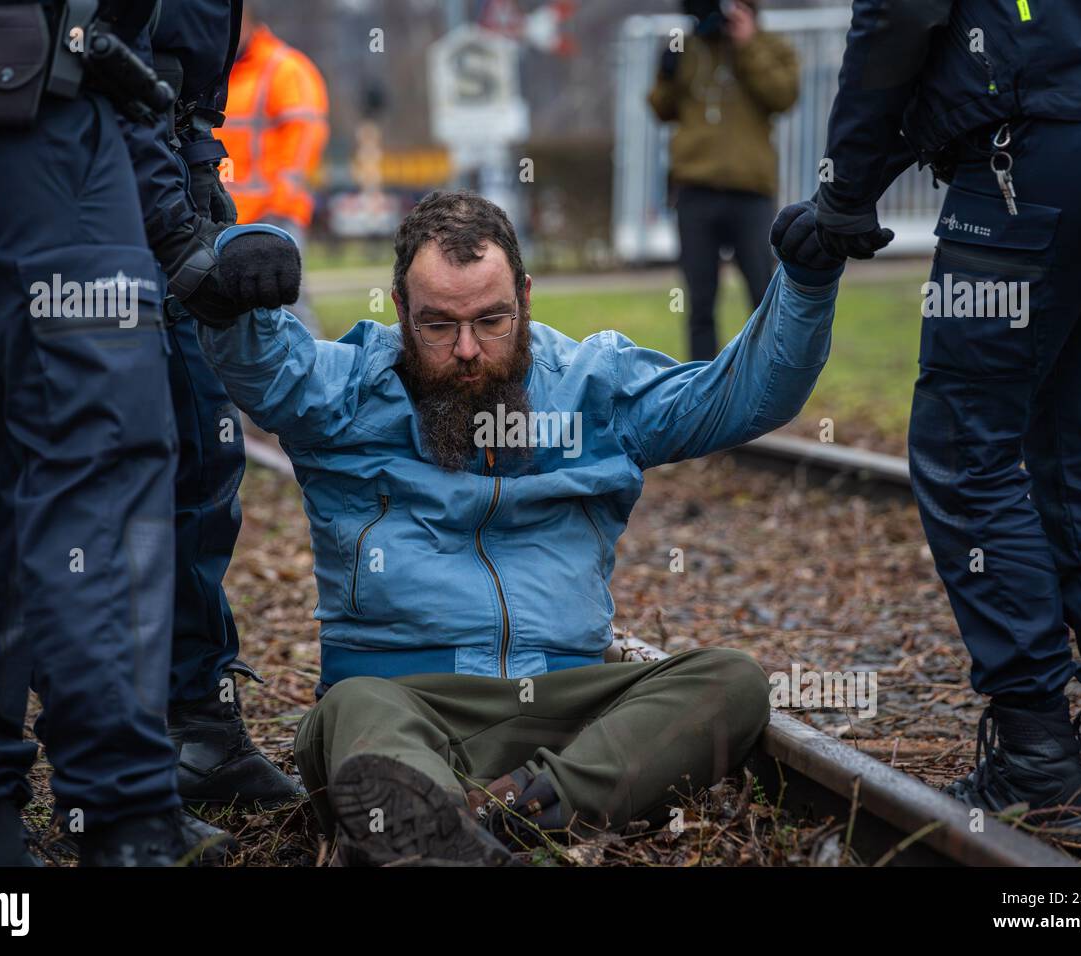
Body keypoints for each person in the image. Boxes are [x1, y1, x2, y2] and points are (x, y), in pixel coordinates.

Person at [195, 189, 845, 865]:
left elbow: (741, 398)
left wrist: (806, 282)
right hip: (401, 703)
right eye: (438, 326)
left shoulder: (597, 387)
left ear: (526, 297)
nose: (469, 349)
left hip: (567, 709)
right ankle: (464, 815)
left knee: (733, 681)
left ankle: (484, 822)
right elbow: (261, 364)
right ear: (398, 310)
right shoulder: (345, 391)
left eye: (492, 319)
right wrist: (242, 262)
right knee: (350, 712)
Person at [0, 0, 299, 866]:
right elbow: (125, 32)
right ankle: (125, 819)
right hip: (49, 131)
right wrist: (174, 216)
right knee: (99, 483)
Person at [815, 0, 1081, 843]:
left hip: (1037, 148)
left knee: (963, 449)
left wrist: (845, 184)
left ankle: (1038, 756)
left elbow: (900, 15)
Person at [141, 0, 306, 811]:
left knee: (203, 453)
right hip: (104, 189)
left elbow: (181, 91)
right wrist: (175, 230)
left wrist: (203, 180)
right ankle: (110, 749)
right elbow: (111, 73)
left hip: (171, 177)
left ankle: (196, 722)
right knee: (106, 475)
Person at [649, 0, 798, 361]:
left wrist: (747, 45)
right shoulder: (686, 47)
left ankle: (768, 382)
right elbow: (660, 108)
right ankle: (702, 386)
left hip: (751, 192)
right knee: (699, 300)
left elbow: (784, 95)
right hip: (695, 191)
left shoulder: (771, 46)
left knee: (764, 295)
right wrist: (667, 73)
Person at [214, 0, 328, 335]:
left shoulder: (285, 68)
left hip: (272, 217)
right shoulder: (218, 73)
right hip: (227, 218)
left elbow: (304, 137)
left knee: (287, 309)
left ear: (242, 18)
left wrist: (279, 207)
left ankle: (313, 382)